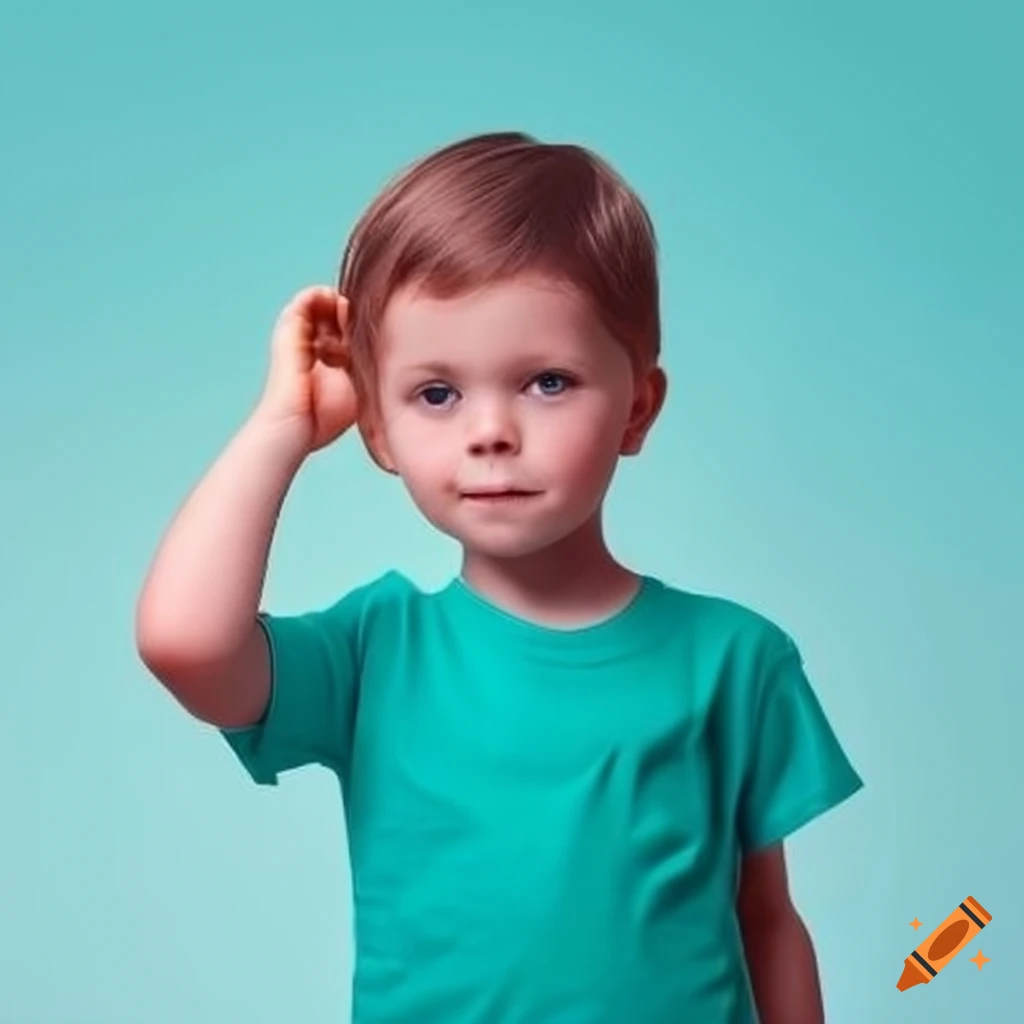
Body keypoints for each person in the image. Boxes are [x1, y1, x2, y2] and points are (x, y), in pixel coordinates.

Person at [135, 131, 863, 1023]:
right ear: (378, 431)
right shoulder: (376, 654)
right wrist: (281, 424)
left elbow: (767, 919)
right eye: (436, 394)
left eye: (547, 382)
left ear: (637, 407)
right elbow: (186, 644)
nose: (491, 432)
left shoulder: (735, 660)